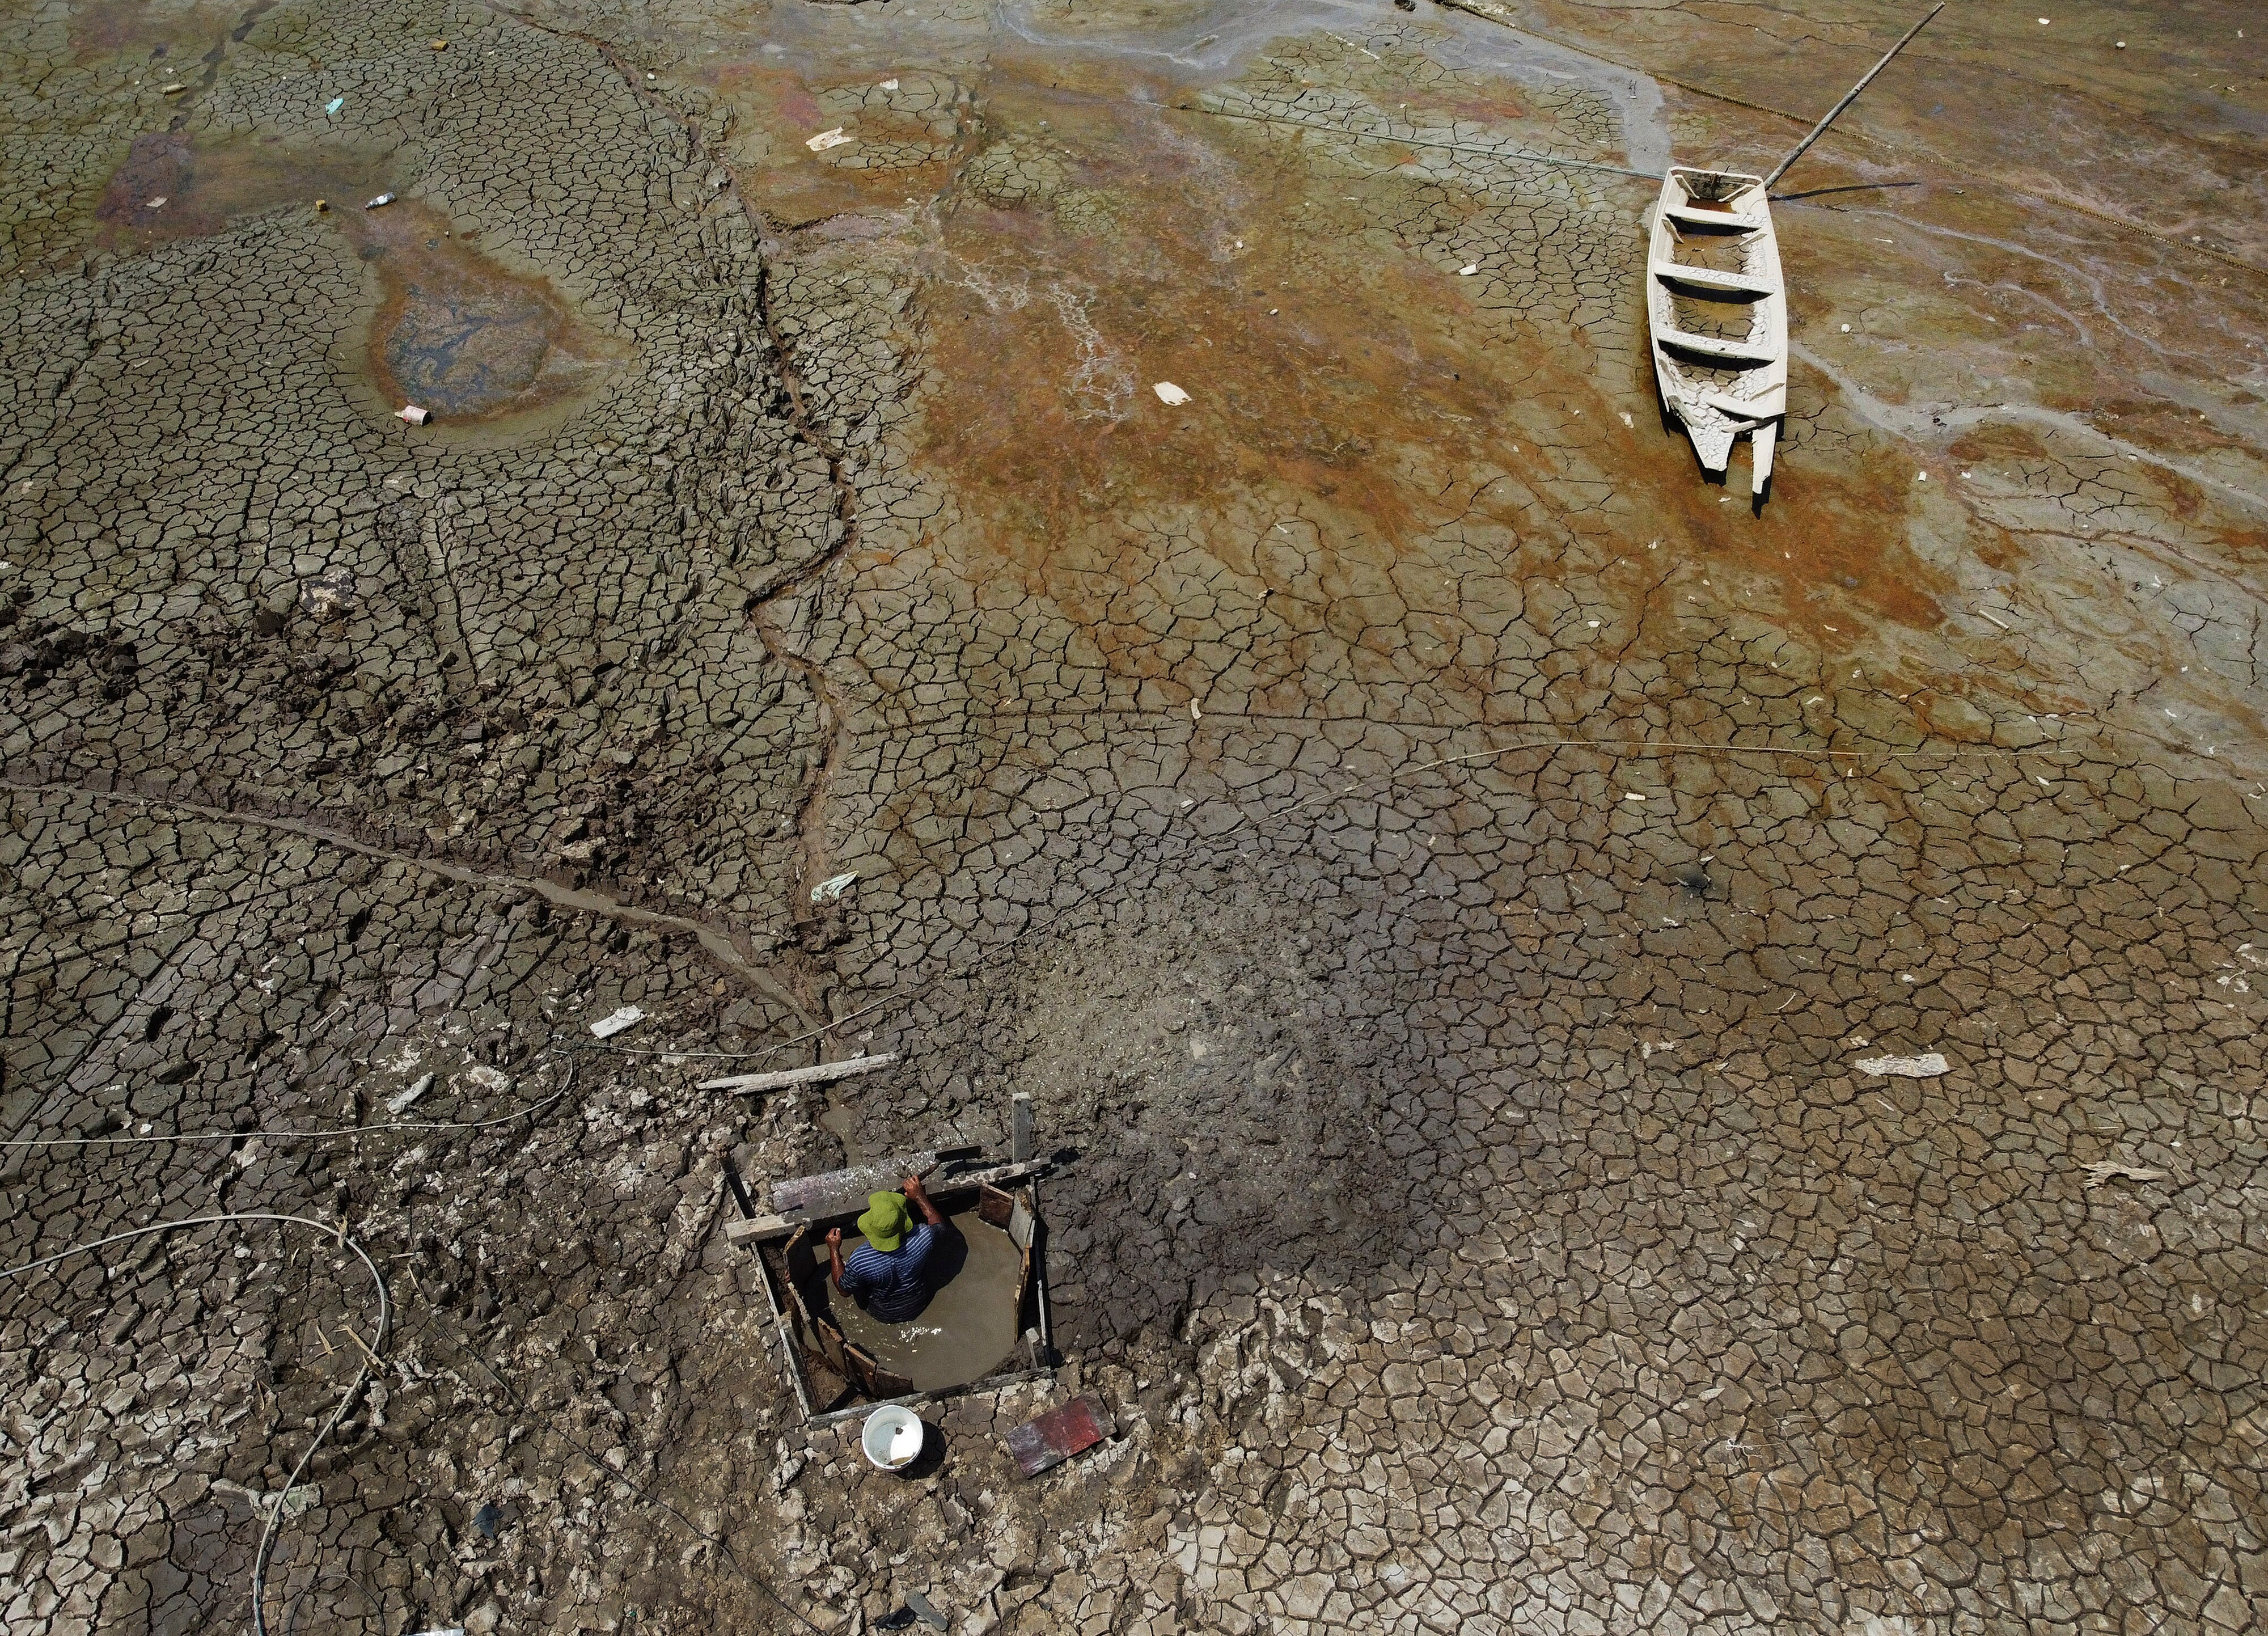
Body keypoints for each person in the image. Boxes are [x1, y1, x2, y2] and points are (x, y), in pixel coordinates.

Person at [828, 1174, 945, 1323]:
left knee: (856, 1278)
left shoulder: (860, 1260)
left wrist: (833, 1249)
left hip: (883, 1312)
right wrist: (920, 1197)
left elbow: (843, 1290)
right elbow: (940, 1227)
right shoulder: (923, 1237)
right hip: (920, 1300)